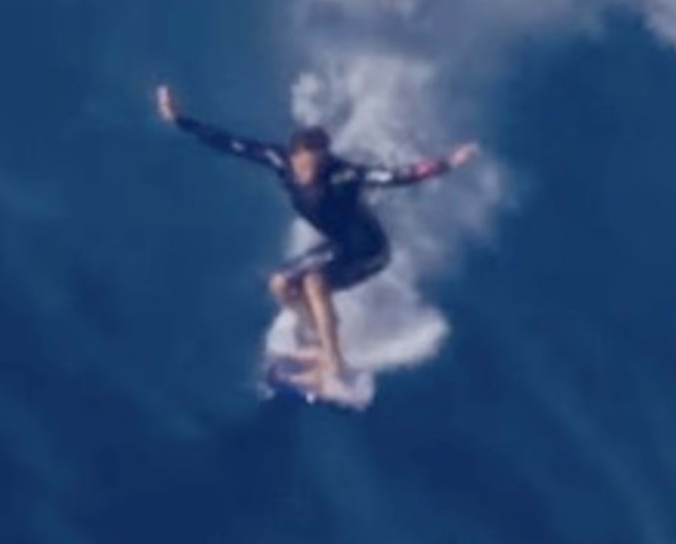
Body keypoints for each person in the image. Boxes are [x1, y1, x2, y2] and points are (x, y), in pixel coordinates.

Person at [156, 85, 480, 398]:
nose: (312, 171)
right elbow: (232, 143)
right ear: (294, 156)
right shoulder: (279, 160)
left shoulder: (343, 175)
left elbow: (396, 176)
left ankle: (336, 367)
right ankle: (315, 337)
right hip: (338, 246)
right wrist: (181, 120)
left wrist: (447, 163)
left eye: (319, 164)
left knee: (314, 283)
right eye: (306, 165)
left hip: (370, 250)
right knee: (280, 284)